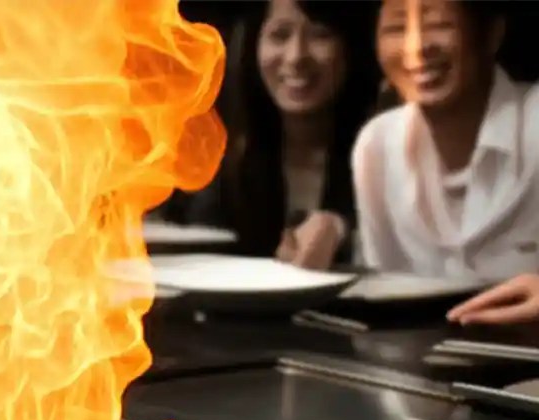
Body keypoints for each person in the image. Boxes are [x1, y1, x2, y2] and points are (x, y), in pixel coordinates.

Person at [159, 0, 378, 268]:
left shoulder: (382, 148)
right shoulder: (219, 157)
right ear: (253, 45)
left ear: (350, 47)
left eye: (320, 34)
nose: (296, 56)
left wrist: (342, 232)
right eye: (280, 35)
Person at [352, 0, 539, 284]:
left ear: (492, 34)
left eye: (439, 25)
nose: (417, 47)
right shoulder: (377, 147)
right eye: (396, 28)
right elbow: (384, 292)